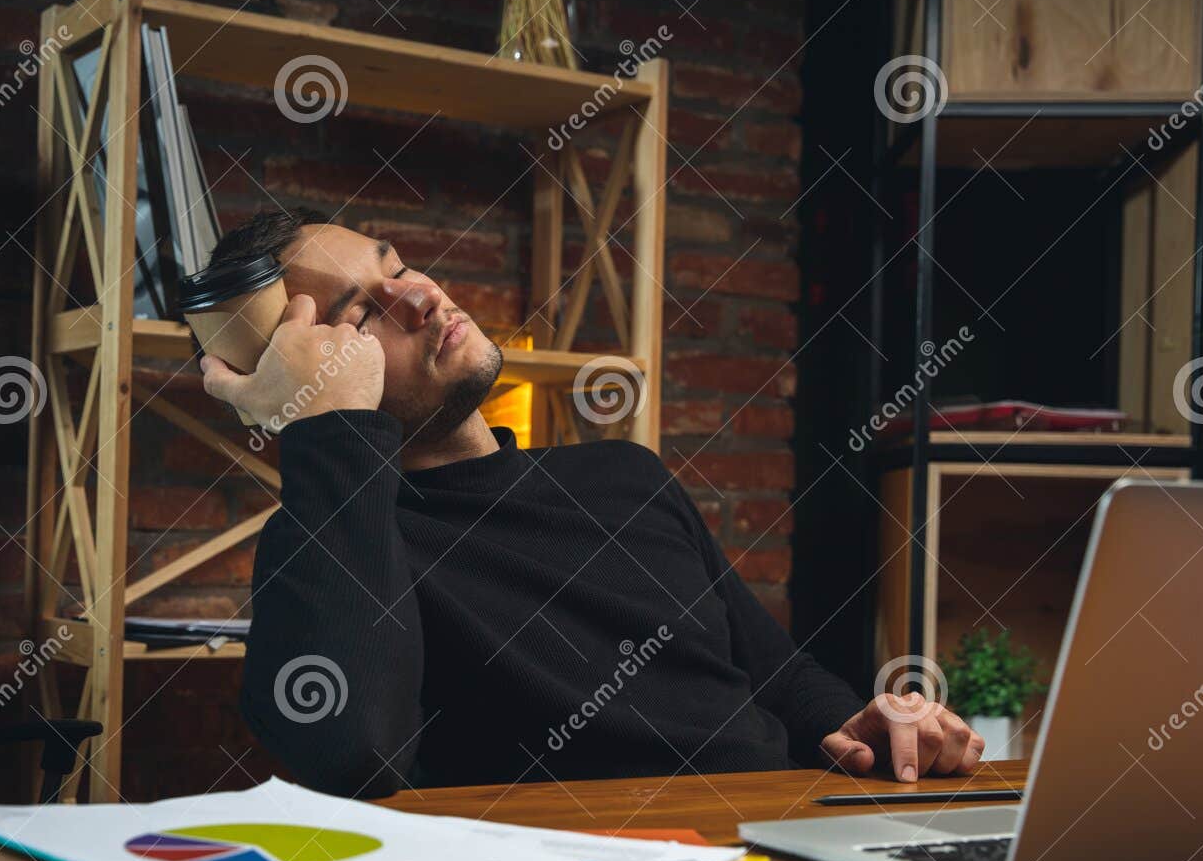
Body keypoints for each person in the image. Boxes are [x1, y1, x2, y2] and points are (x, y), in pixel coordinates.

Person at [199, 208, 984, 798]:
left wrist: (863, 724)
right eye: (364, 313)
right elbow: (352, 755)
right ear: (317, 373)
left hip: (796, 834)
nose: (421, 295)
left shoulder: (623, 475)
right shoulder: (330, 548)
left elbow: (775, 677)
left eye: (398, 264)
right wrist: (330, 431)